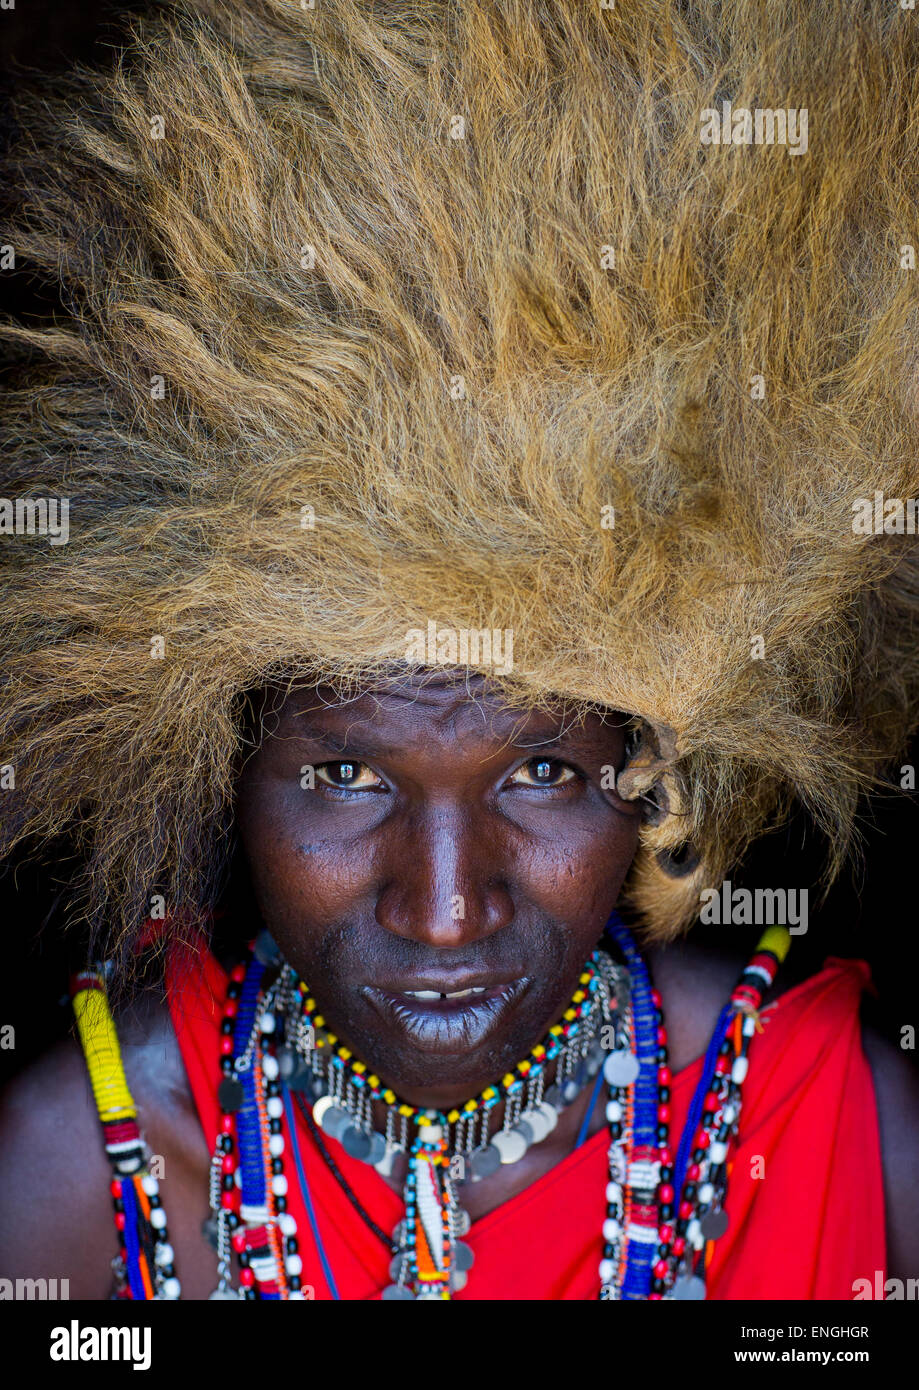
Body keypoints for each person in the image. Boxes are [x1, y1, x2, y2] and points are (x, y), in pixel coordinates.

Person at [1, 0, 918, 1302]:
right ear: (222, 767)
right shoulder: (85, 1167)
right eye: (344, 776)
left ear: (657, 780)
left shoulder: (825, 1118)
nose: (444, 913)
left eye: (542, 771)